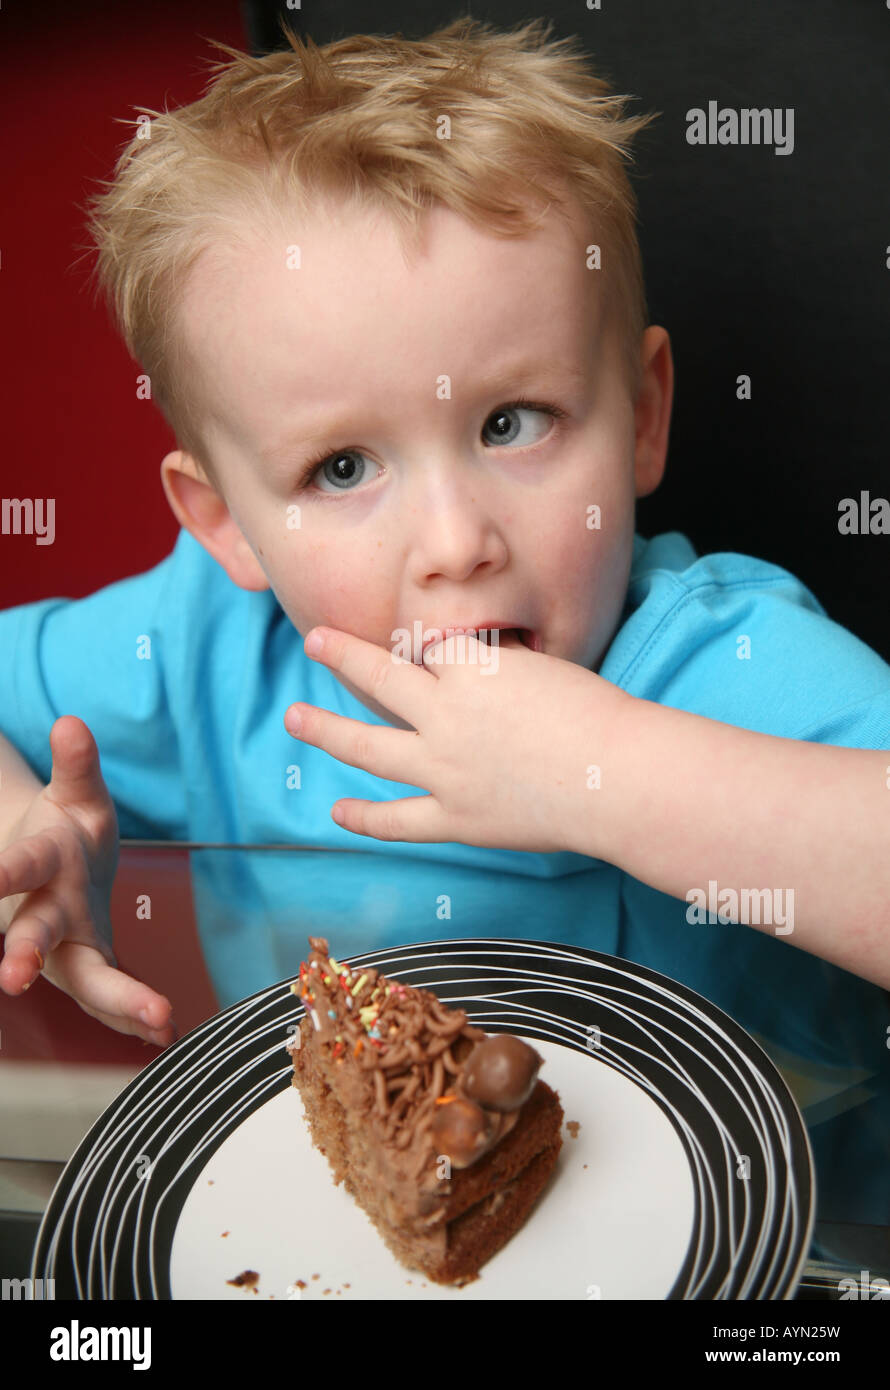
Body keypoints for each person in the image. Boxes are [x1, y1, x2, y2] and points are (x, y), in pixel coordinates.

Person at [1, 18, 888, 1236]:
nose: (453, 540)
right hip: (352, 1242)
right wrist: (20, 824)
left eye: (513, 423)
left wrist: (601, 772)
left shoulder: (711, 659)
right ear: (230, 528)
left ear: (638, 416)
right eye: (342, 465)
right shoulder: (205, 643)